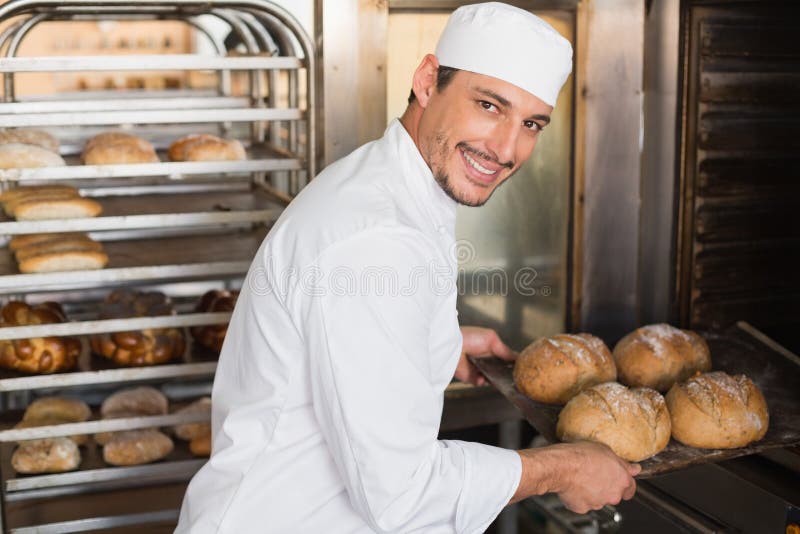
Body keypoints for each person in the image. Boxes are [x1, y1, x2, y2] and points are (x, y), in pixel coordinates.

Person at [176, 3, 639, 532]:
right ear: (426, 81)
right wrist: (564, 468)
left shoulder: (388, 183)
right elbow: (400, 492)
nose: (506, 149)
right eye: (489, 105)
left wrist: (432, 343)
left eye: (531, 124)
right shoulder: (375, 236)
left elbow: (340, 340)